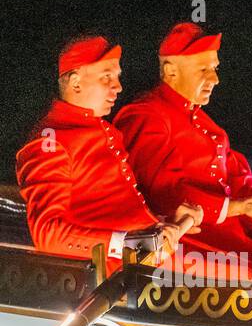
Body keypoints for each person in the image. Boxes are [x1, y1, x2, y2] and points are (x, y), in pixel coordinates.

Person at [114, 22, 252, 284]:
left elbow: (240, 186)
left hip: (235, 233)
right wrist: (242, 207)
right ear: (170, 71)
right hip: (191, 235)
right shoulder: (146, 115)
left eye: (215, 69)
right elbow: (161, 195)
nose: (215, 79)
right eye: (204, 69)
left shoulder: (208, 126)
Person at [16, 35, 197, 268]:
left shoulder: (102, 130)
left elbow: (112, 213)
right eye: (106, 77)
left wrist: (168, 221)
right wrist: (130, 243)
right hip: (113, 282)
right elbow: (48, 235)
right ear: (76, 83)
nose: (118, 86)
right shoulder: (51, 141)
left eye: (117, 77)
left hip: (148, 267)